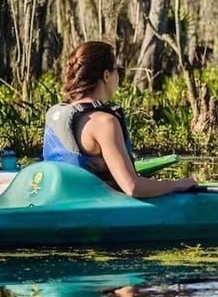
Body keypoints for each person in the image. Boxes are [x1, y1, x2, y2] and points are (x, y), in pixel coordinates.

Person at [43, 41, 196, 197]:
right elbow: (132, 187)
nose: (119, 77)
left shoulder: (55, 114)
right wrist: (176, 185)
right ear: (107, 75)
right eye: (118, 70)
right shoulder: (104, 122)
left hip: (58, 201)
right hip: (95, 212)